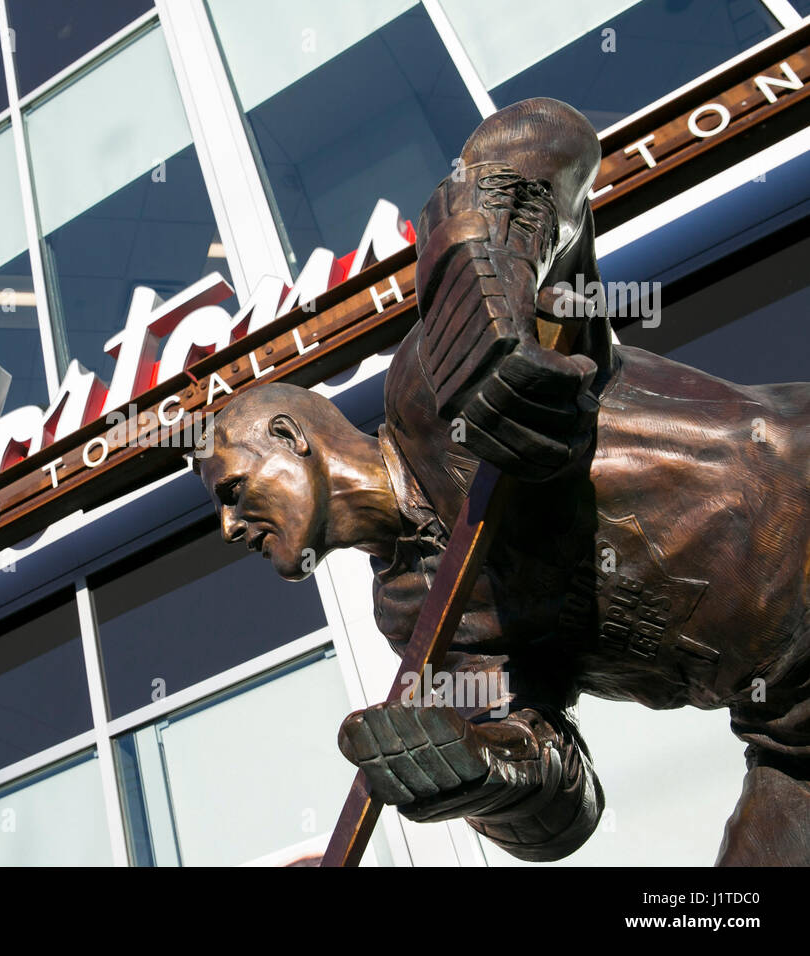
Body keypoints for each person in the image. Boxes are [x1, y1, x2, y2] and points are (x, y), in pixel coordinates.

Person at [192, 98, 810, 864]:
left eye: (230, 490)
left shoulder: (429, 385)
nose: (229, 528)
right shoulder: (413, 620)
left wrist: (487, 298)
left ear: (291, 437)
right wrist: (481, 773)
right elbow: (562, 799)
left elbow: (547, 138)